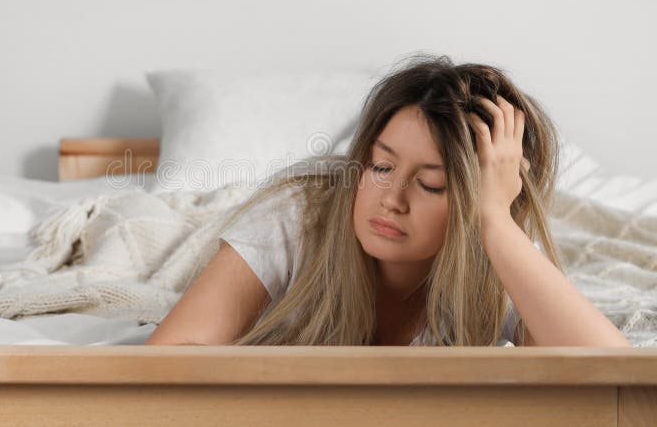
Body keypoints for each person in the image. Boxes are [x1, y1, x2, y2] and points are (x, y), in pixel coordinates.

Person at [145, 53, 630, 347]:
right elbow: (168, 357)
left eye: (431, 184)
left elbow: (611, 375)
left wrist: (495, 223)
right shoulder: (297, 214)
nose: (392, 200)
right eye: (381, 167)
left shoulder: (498, 249)